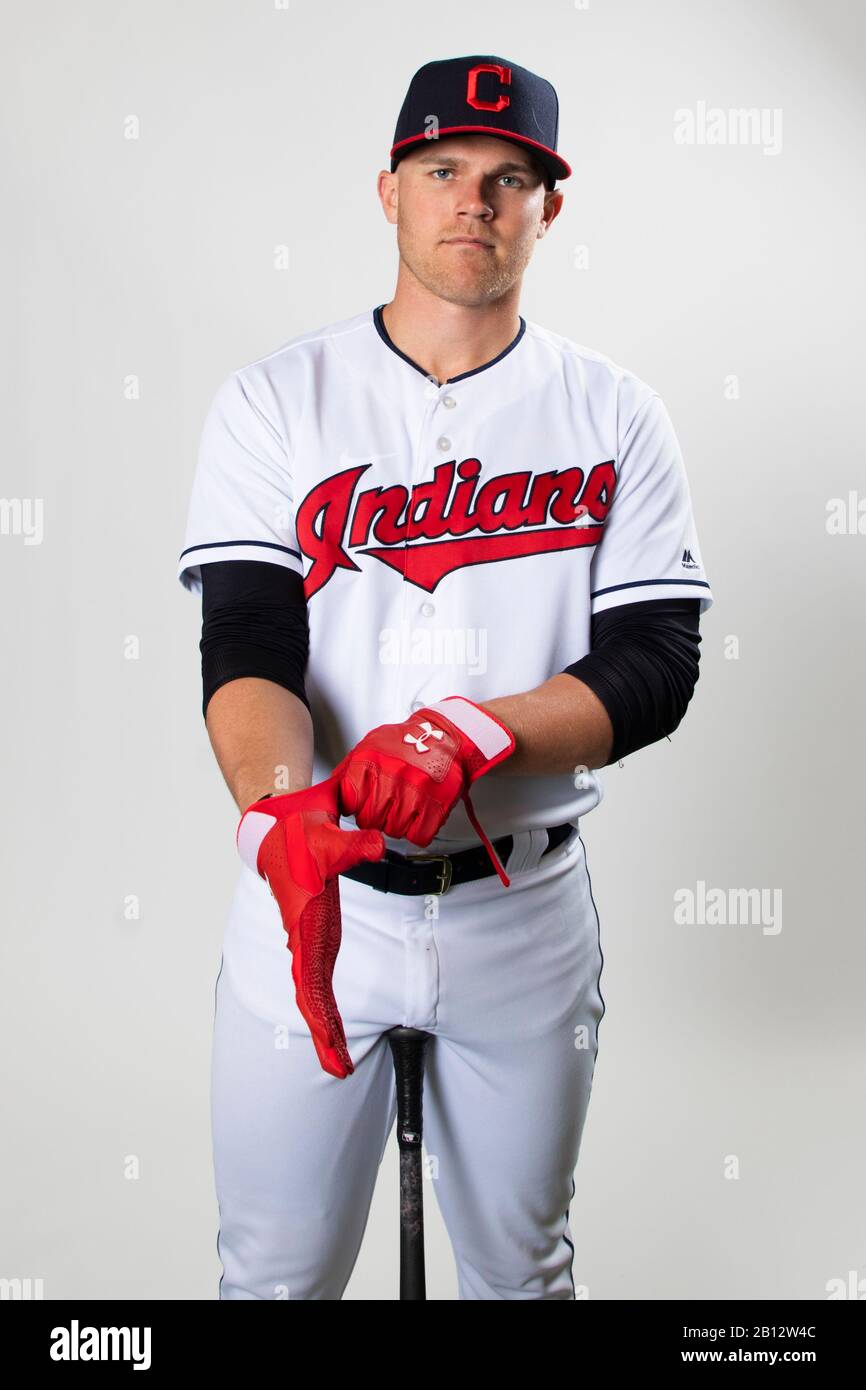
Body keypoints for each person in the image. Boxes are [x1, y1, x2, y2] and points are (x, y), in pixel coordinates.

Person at [177, 54, 714, 1300]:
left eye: (507, 178)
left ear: (547, 208)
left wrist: (468, 731)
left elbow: (655, 662)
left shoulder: (613, 412)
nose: (472, 201)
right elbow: (249, 639)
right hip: (320, 896)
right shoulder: (277, 401)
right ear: (389, 192)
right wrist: (277, 816)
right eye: (442, 171)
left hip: (521, 911)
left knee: (520, 1275)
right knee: (271, 1276)